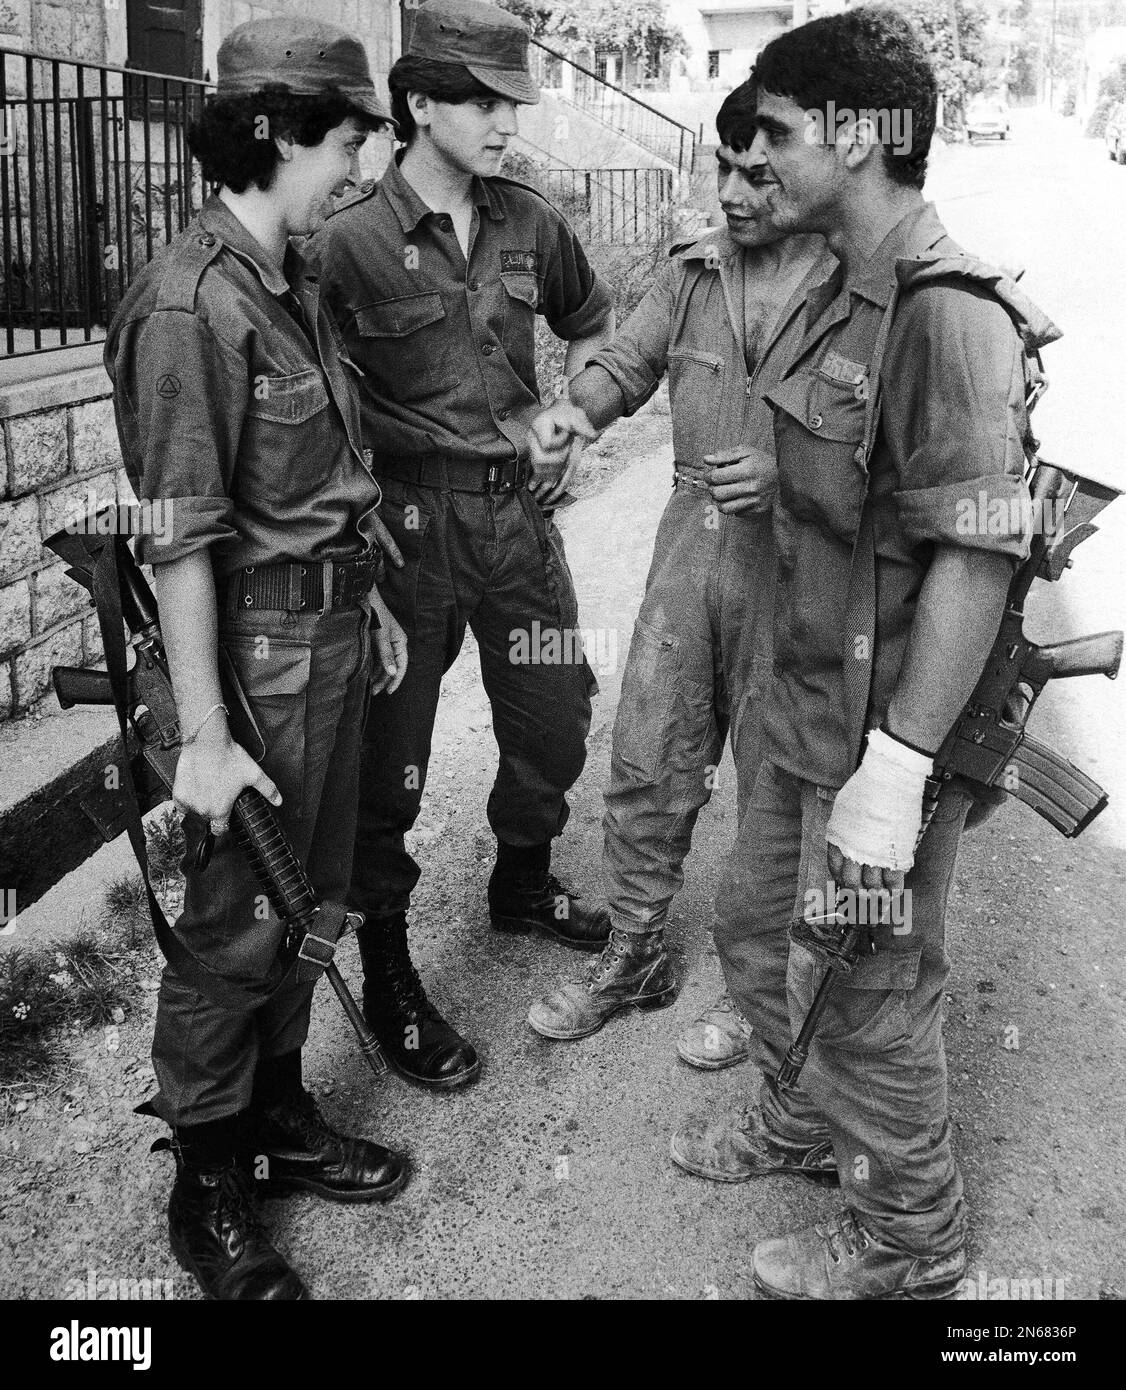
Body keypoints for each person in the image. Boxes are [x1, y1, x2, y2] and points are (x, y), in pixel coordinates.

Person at [668, 6, 1059, 1299]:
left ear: (851, 134)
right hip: (798, 707)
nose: (756, 158)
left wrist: (894, 774)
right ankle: (796, 1124)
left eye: (775, 133)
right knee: (763, 924)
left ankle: (912, 1239)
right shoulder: (839, 285)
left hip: (876, 735)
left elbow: (978, 553)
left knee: (870, 982)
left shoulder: (947, 317)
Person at [104, 17, 411, 1300]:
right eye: (344, 136)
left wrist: (374, 593)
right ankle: (207, 1176)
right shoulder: (189, 301)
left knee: (312, 891)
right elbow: (178, 542)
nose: (357, 162)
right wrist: (207, 737)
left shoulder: (288, 276)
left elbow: (323, 479)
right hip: (254, 657)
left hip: (331, 629)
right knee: (235, 917)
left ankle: (276, 1115)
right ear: (276, 132)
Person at [310, 0, 616, 1092]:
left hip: (515, 521)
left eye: (510, 104)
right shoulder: (341, 243)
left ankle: (522, 880)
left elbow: (594, 324)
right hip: (405, 528)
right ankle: (388, 965)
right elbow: (311, 401)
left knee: (555, 709)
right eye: (482, 102)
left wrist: (572, 414)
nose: (505, 124)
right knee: (391, 752)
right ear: (419, 104)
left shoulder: (530, 223)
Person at [522, 83, 829, 1057]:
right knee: (650, 740)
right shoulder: (697, 270)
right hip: (694, 526)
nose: (735, 188)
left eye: (759, 169)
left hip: (802, 543)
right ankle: (638, 950)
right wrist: (580, 409)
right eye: (724, 164)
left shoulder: (854, 283)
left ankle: (762, 978)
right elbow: (629, 358)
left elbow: (901, 434)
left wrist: (793, 465)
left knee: (778, 772)